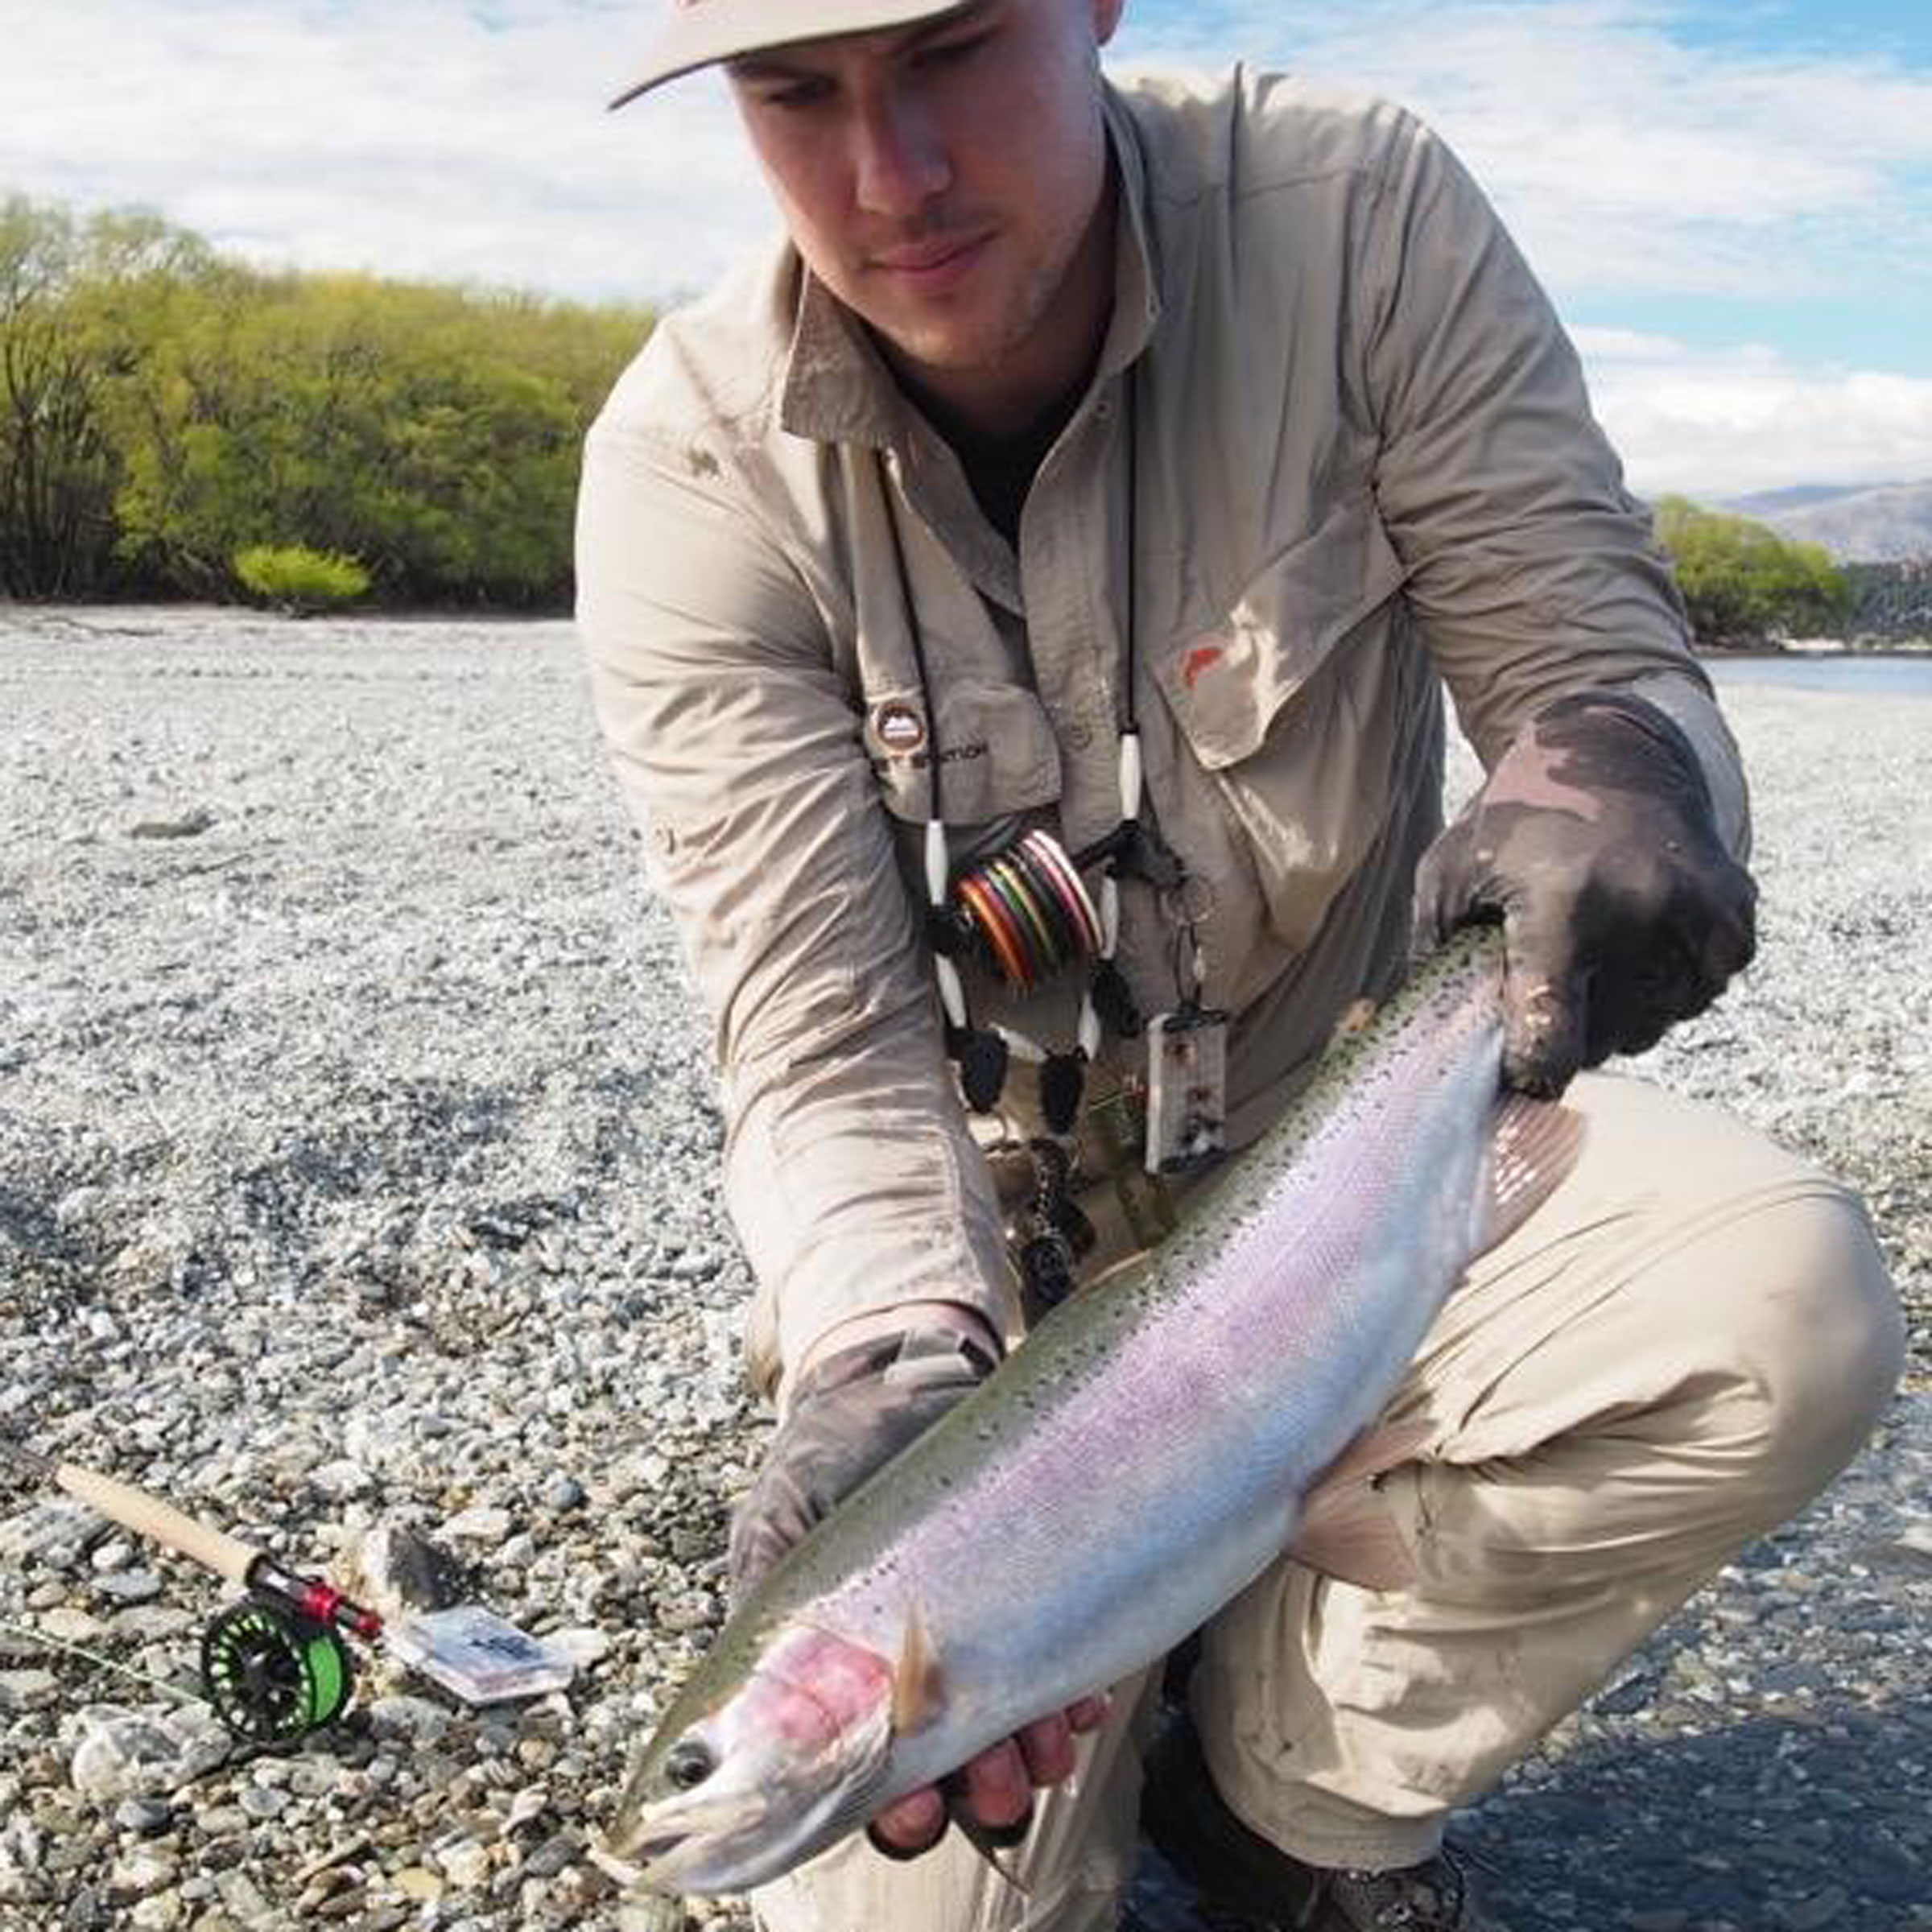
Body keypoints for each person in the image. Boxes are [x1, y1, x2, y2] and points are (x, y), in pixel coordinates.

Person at [575, 3, 1905, 1927]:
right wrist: (881, 1358)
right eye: (795, 93)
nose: (892, 177)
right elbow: (823, 1052)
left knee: (1781, 1306)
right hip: (996, 1306)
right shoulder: (689, 472)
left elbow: (1595, 665)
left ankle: (1291, 1800)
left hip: (1360, 1171)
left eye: (950, 52)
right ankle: (1139, 1620)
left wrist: (1623, 777)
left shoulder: (1358, 219)